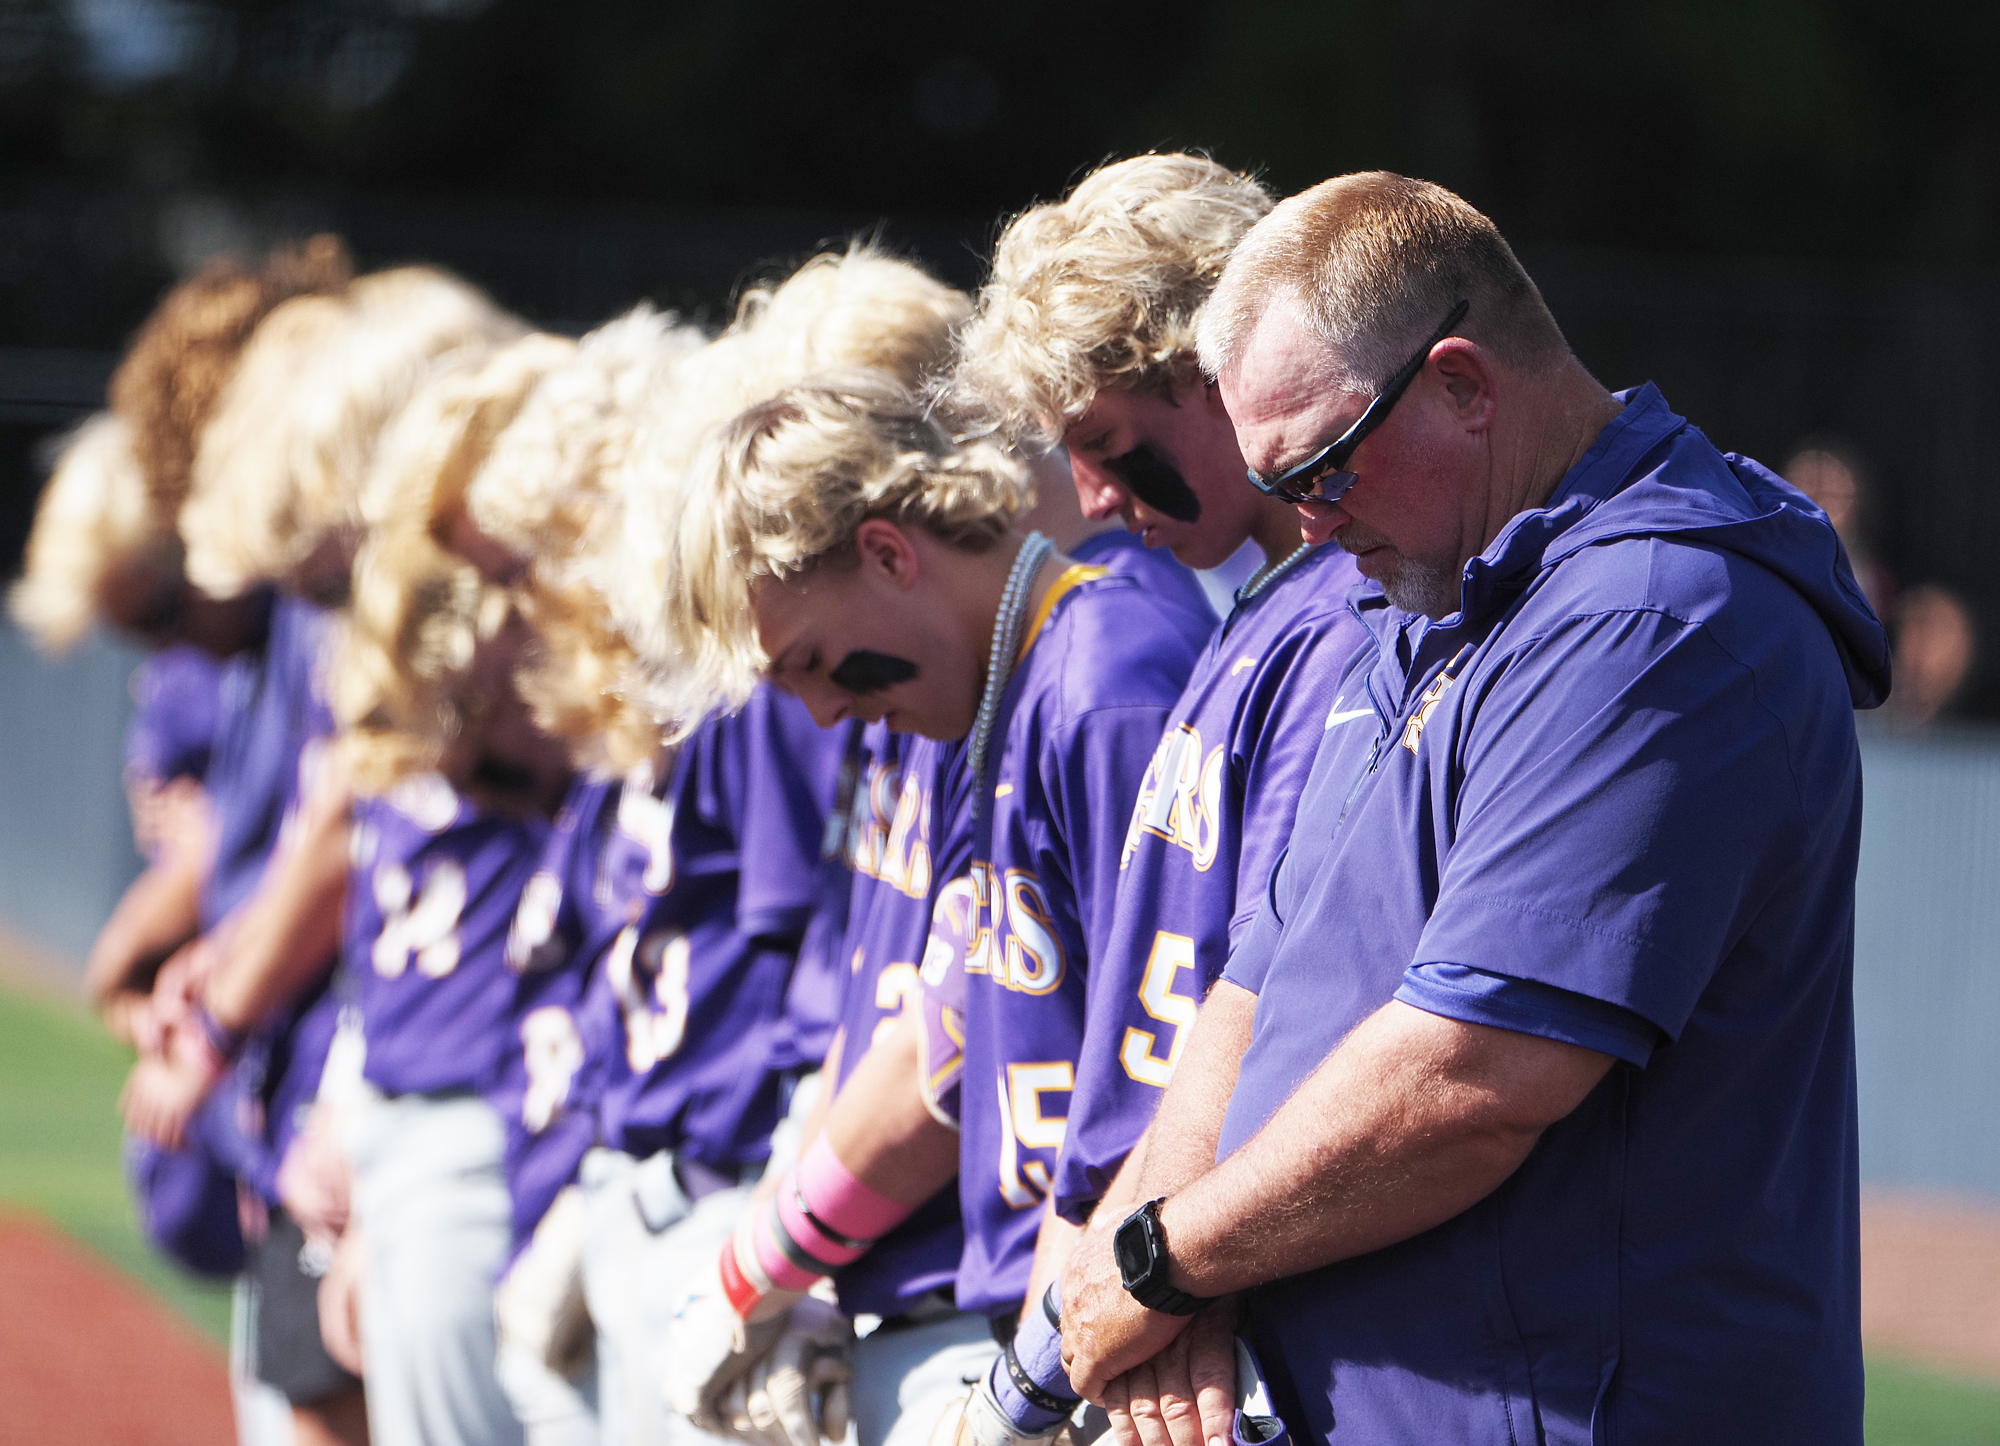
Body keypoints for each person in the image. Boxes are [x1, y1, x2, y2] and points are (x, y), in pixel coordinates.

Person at [1058, 171, 1892, 1446]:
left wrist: (1162, 1263)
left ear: (1459, 384)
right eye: (1281, 486)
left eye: (1322, 469)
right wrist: (1174, 1286)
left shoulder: (1650, 620)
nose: (1308, 526)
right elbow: (1252, 992)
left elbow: (1471, 1079)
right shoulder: (1422, 599)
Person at [653, 372, 1207, 1446]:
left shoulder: (1104, 677)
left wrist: (1034, 1388)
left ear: (888, 554)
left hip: (1100, 1335)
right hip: (1047, 1320)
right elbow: (942, 1032)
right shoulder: (998, 689)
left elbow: (1167, 1084)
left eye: (814, 663)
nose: (825, 714)